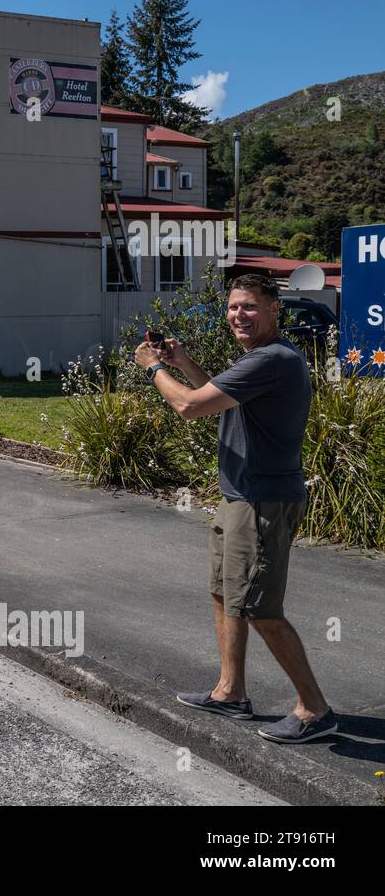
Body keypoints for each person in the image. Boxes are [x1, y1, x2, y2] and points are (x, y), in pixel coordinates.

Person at [136, 273, 334, 744]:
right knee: (226, 595)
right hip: (239, 496)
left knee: (261, 607)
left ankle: (314, 709)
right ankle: (230, 692)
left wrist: (153, 369)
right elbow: (217, 401)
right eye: (232, 307)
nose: (237, 315)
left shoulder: (273, 359)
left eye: (248, 307)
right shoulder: (260, 360)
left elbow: (187, 407)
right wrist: (181, 360)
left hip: (262, 501)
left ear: (272, 311)